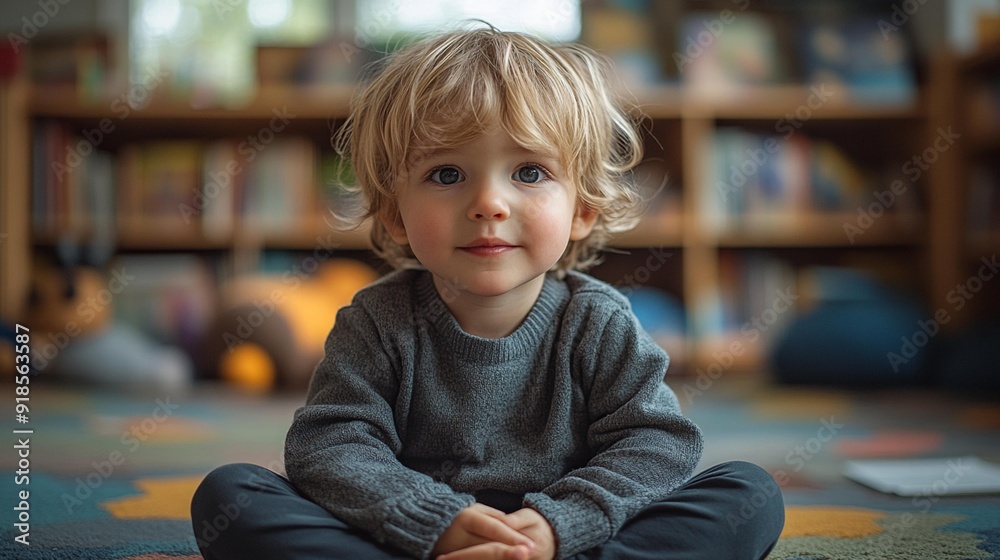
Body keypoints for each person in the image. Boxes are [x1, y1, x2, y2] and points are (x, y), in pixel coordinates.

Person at [191, 25, 784, 560]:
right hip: (412, 535)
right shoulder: (377, 320)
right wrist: (435, 521)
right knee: (231, 495)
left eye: (529, 172)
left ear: (582, 209)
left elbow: (655, 443)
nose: (488, 204)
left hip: (563, 536)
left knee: (749, 494)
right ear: (395, 215)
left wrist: (559, 525)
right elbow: (330, 445)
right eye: (446, 175)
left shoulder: (599, 322)